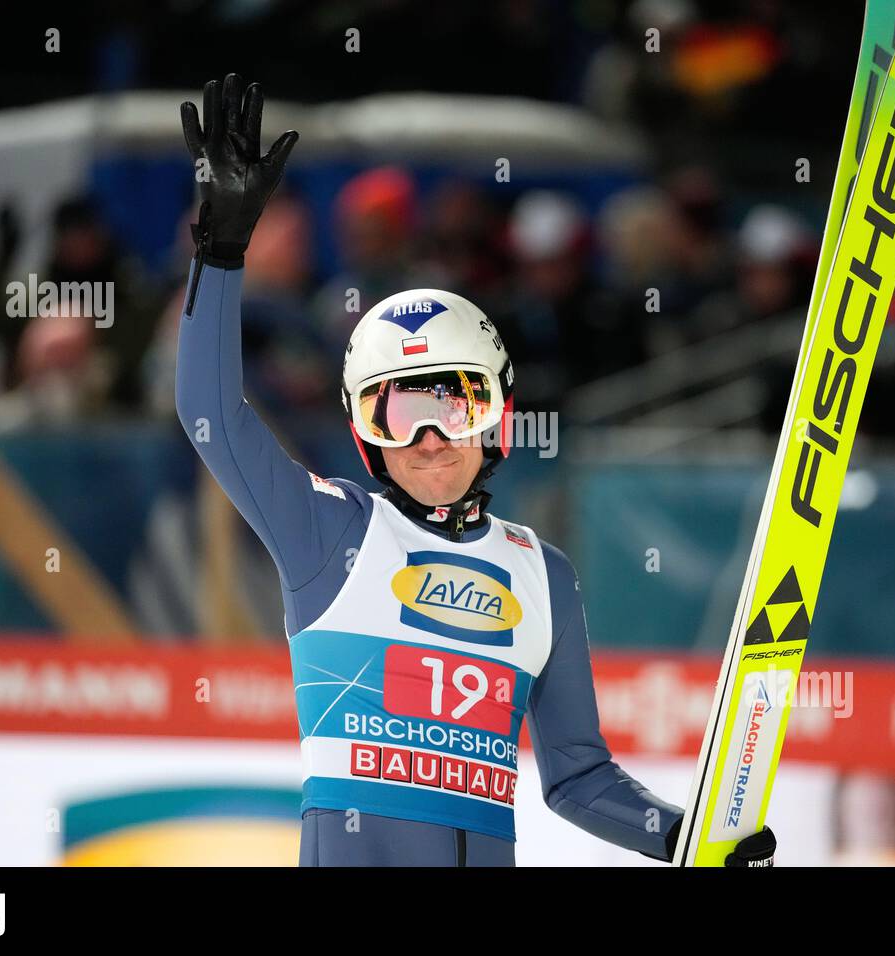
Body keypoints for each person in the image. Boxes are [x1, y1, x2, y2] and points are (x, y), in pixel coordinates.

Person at [175, 74, 776, 867]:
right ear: (365, 433)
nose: (429, 437)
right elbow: (210, 414)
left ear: (496, 415)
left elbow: (579, 779)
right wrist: (219, 255)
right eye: (398, 412)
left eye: (454, 406)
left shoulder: (543, 576)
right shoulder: (327, 533)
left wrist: (684, 839)